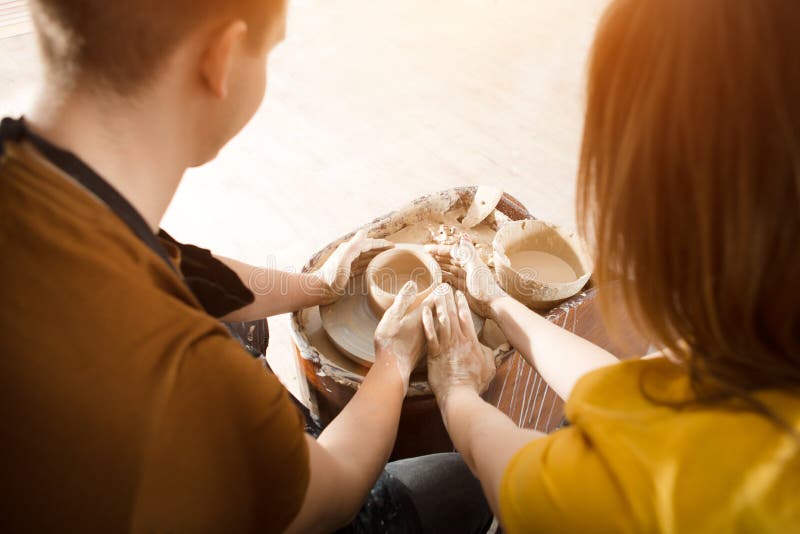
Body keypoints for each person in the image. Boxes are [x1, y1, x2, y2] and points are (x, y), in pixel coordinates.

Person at [0, 0, 491, 532]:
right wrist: (394, 359)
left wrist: (317, 286)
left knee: (243, 319)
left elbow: (186, 267)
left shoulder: (35, 177)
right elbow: (332, 492)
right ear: (222, 59)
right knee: (463, 482)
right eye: (269, 52)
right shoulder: (179, 368)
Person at [424, 0, 800, 531]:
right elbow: (631, 395)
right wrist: (499, 303)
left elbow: (510, 475)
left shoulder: (639, 480)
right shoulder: (752, 362)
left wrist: (456, 390)